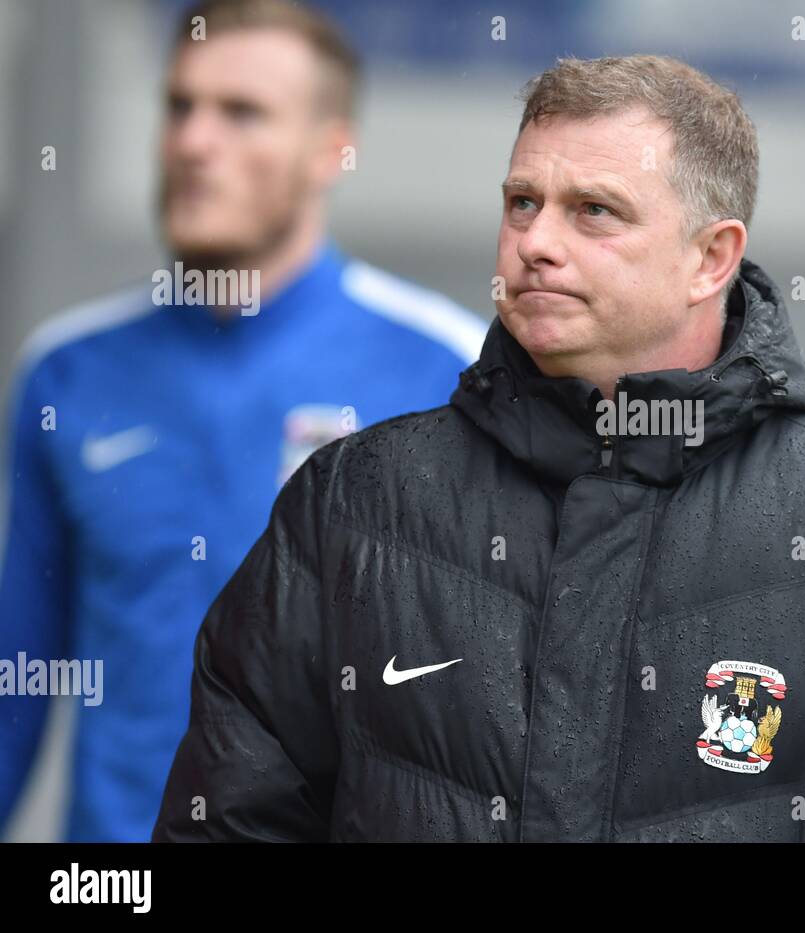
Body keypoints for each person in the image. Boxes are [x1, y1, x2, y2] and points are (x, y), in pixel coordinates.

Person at [153, 53, 805, 843]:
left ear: (712, 257)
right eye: (522, 203)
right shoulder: (351, 505)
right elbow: (231, 818)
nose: (536, 242)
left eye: (593, 210)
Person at [0, 0, 487, 842]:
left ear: (332, 149)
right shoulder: (68, 371)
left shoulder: (445, 367)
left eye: (242, 113)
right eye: (180, 106)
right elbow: (19, 682)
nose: (193, 143)